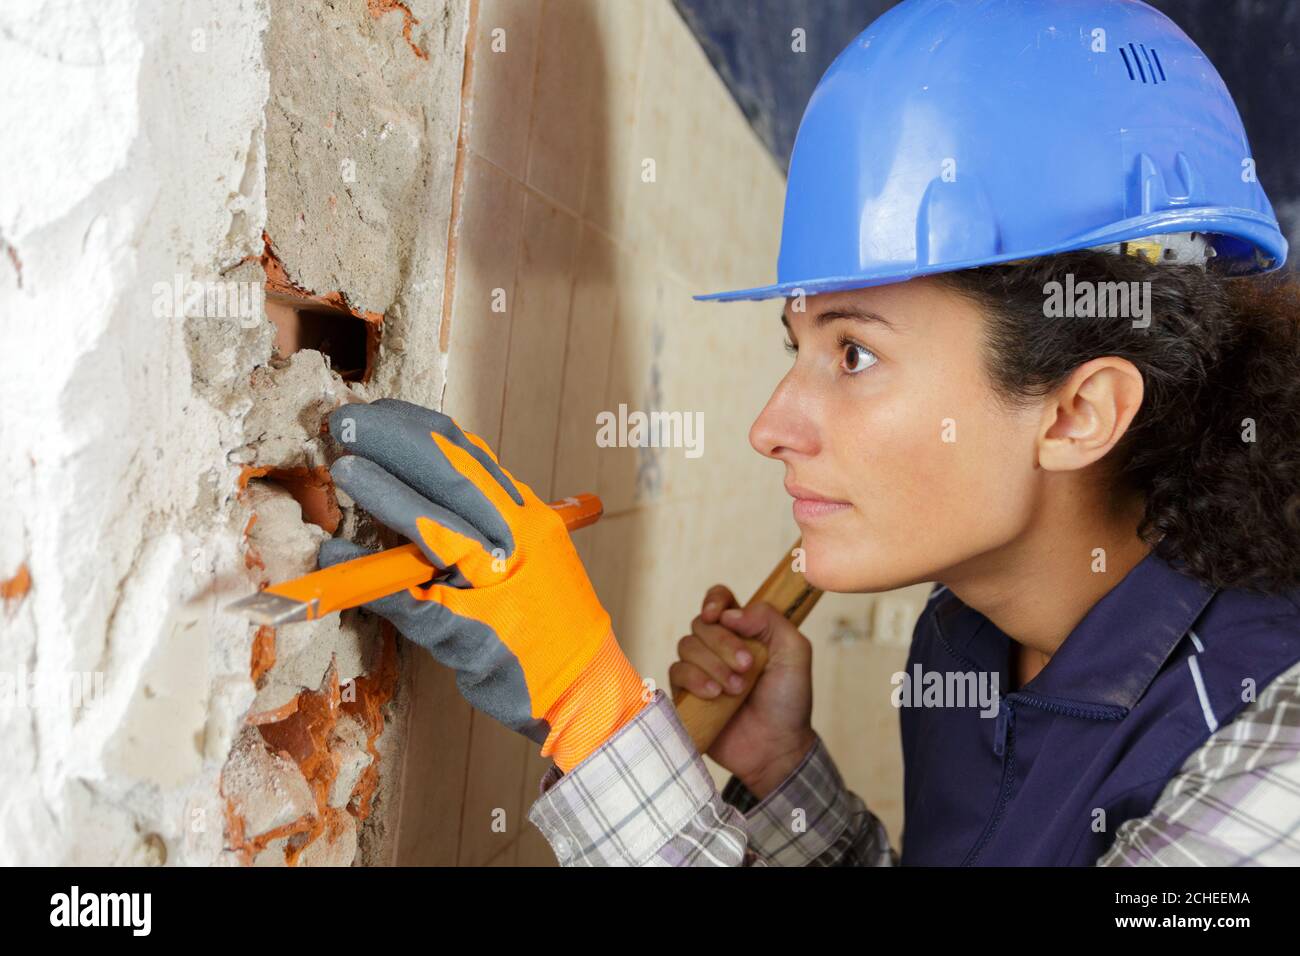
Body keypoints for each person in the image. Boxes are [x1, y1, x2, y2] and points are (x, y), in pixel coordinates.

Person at [318, 0, 1300, 865]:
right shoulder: (962, 640)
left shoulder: (1272, 755)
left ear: (1078, 412)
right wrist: (787, 779)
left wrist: (595, 710)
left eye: (855, 356)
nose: (768, 426)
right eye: (797, 344)